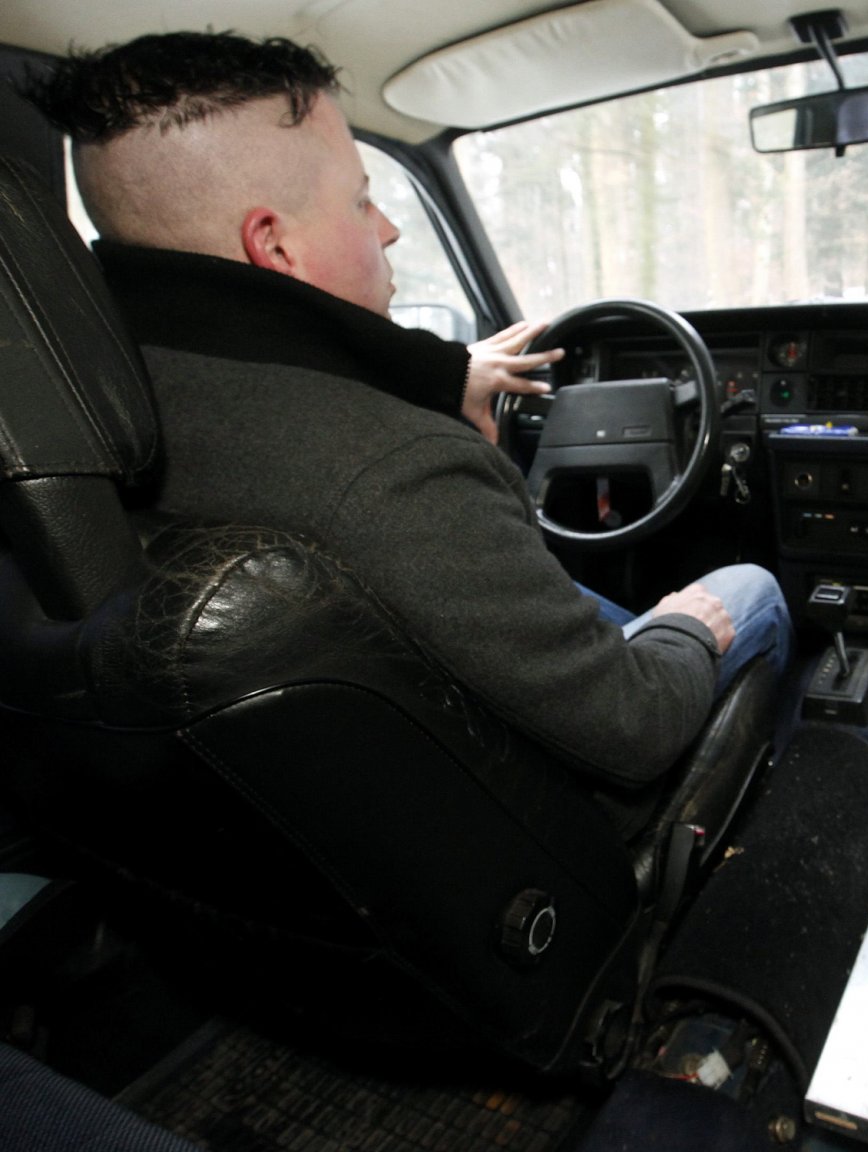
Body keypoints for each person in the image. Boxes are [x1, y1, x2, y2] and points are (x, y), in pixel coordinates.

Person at [21, 31, 790, 825]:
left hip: (286, 840)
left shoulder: (88, 420)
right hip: (550, 841)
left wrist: (441, 380)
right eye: (360, 200)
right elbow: (632, 726)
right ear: (274, 243)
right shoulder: (404, 472)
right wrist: (687, 634)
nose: (387, 227)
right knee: (745, 591)